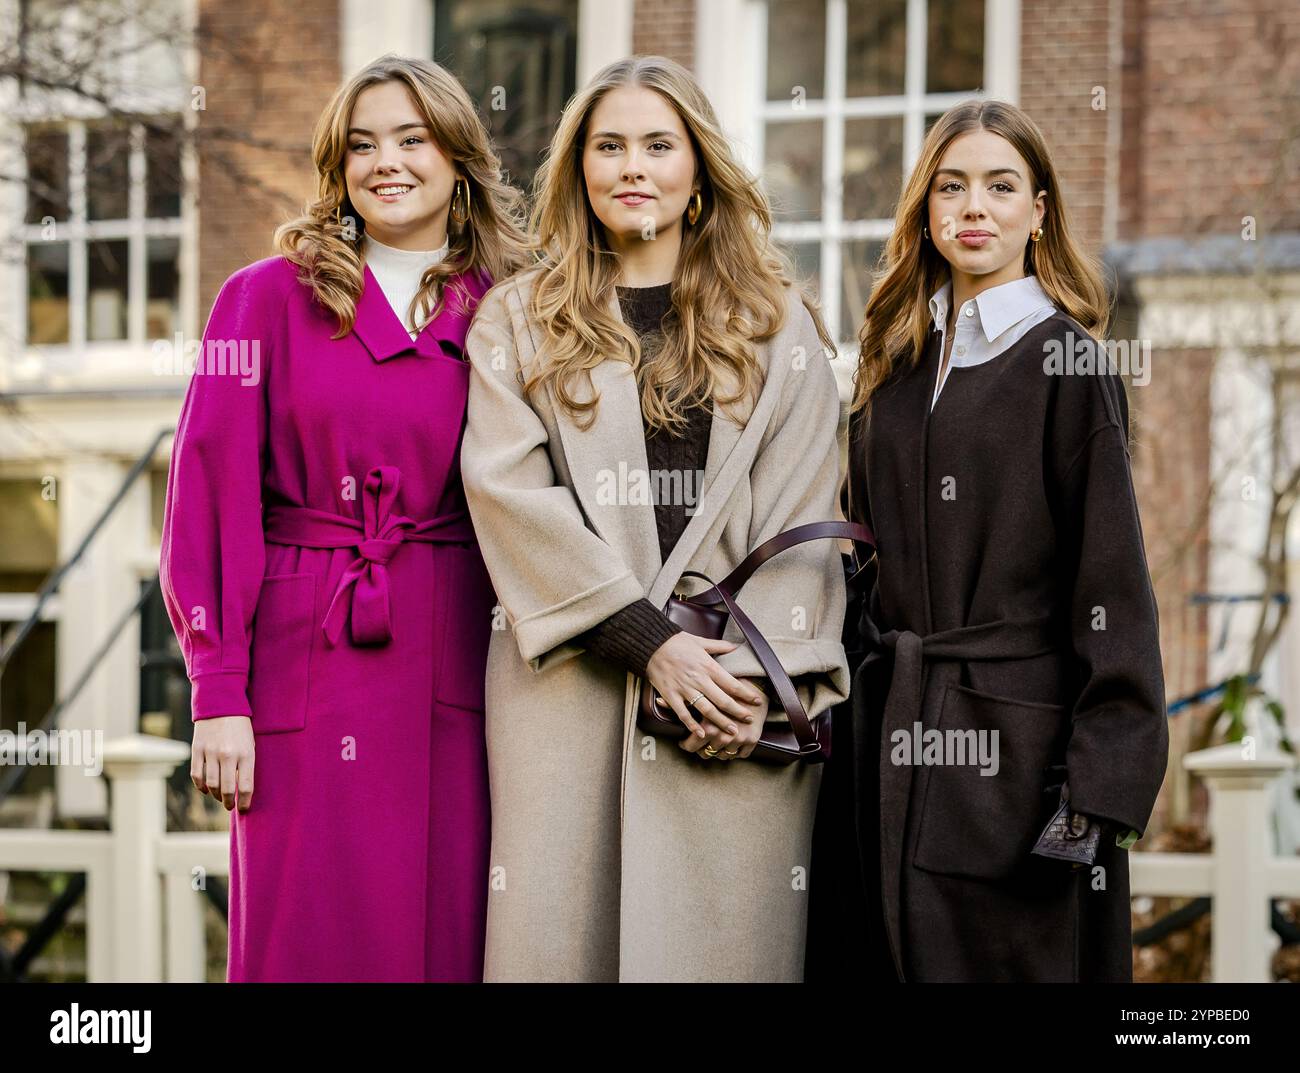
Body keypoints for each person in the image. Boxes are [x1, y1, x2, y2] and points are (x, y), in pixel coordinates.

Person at [461, 55, 849, 982]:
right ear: (579, 171)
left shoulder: (778, 326)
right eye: (609, 146)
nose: (633, 166)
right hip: (568, 705)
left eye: (658, 144)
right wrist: (648, 642)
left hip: (730, 708)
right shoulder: (519, 322)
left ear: (698, 170)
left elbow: (807, 517)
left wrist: (755, 680)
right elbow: (513, 502)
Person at [159, 54, 528, 981]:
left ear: (457, 158)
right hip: (301, 663)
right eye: (361, 144)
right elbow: (209, 492)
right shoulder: (261, 298)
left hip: (459, 666)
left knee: (446, 937)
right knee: (304, 934)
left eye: (411, 138)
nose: (386, 162)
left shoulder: (514, 309)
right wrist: (217, 693)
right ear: (337, 167)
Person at [836, 99, 1168, 982]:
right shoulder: (894, 371)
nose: (973, 206)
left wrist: (1098, 788)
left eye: (1000, 185)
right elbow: (858, 565)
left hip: (1018, 767)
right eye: (951, 186)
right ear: (926, 210)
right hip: (887, 745)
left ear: (1039, 208)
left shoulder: (1069, 366)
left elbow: (1113, 590)